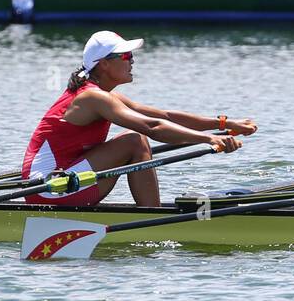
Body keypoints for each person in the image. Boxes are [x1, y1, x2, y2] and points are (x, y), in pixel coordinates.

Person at [22, 31, 256, 207]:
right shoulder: (92, 97)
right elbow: (152, 128)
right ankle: (153, 218)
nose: (132, 60)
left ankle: (150, 211)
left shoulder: (102, 95)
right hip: (48, 189)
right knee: (135, 140)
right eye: (125, 55)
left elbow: (164, 116)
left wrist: (224, 124)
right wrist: (207, 140)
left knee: (135, 139)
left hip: (70, 181)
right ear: (103, 64)